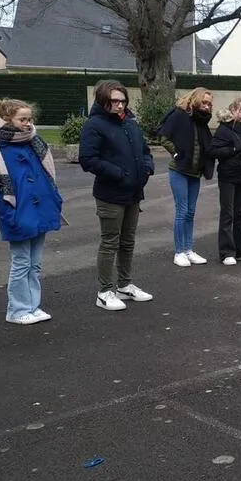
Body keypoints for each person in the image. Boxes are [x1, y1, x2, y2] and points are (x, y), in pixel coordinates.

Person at [0, 99, 63, 325]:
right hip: (18, 211)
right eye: (22, 119)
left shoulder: (32, 140)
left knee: (35, 263)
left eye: (29, 119)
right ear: (6, 119)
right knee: (21, 262)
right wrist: (9, 214)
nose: (28, 123)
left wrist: (54, 199)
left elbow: (45, 174)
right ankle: (17, 309)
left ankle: (32, 306)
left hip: (40, 209)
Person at [79, 80, 155, 311]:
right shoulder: (94, 125)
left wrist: (147, 167)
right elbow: (88, 159)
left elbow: (145, 151)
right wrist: (118, 173)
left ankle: (124, 285)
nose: (120, 105)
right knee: (110, 241)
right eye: (114, 101)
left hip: (133, 192)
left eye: (122, 101)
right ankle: (104, 291)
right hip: (110, 193)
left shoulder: (130, 123)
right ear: (103, 101)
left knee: (127, 241)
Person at [157, 87, 215, 267]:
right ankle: (179, 251)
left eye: (209, 104)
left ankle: (188, 249)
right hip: (179, 170)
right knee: (182, 211)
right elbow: (163, 137)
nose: (207, 106)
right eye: (204, 102)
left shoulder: (202, 121)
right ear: (195, 99)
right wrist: (176, 154)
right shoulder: (179, 115)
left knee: (190, 212)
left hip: (195, 173)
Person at [209, 98, 241, 266]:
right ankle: (226, 252)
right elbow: (213, 150)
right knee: (227, 214)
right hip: (227, 177)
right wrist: (232, 150)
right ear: (233, 111)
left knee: (240, 214)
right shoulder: (224, 129)